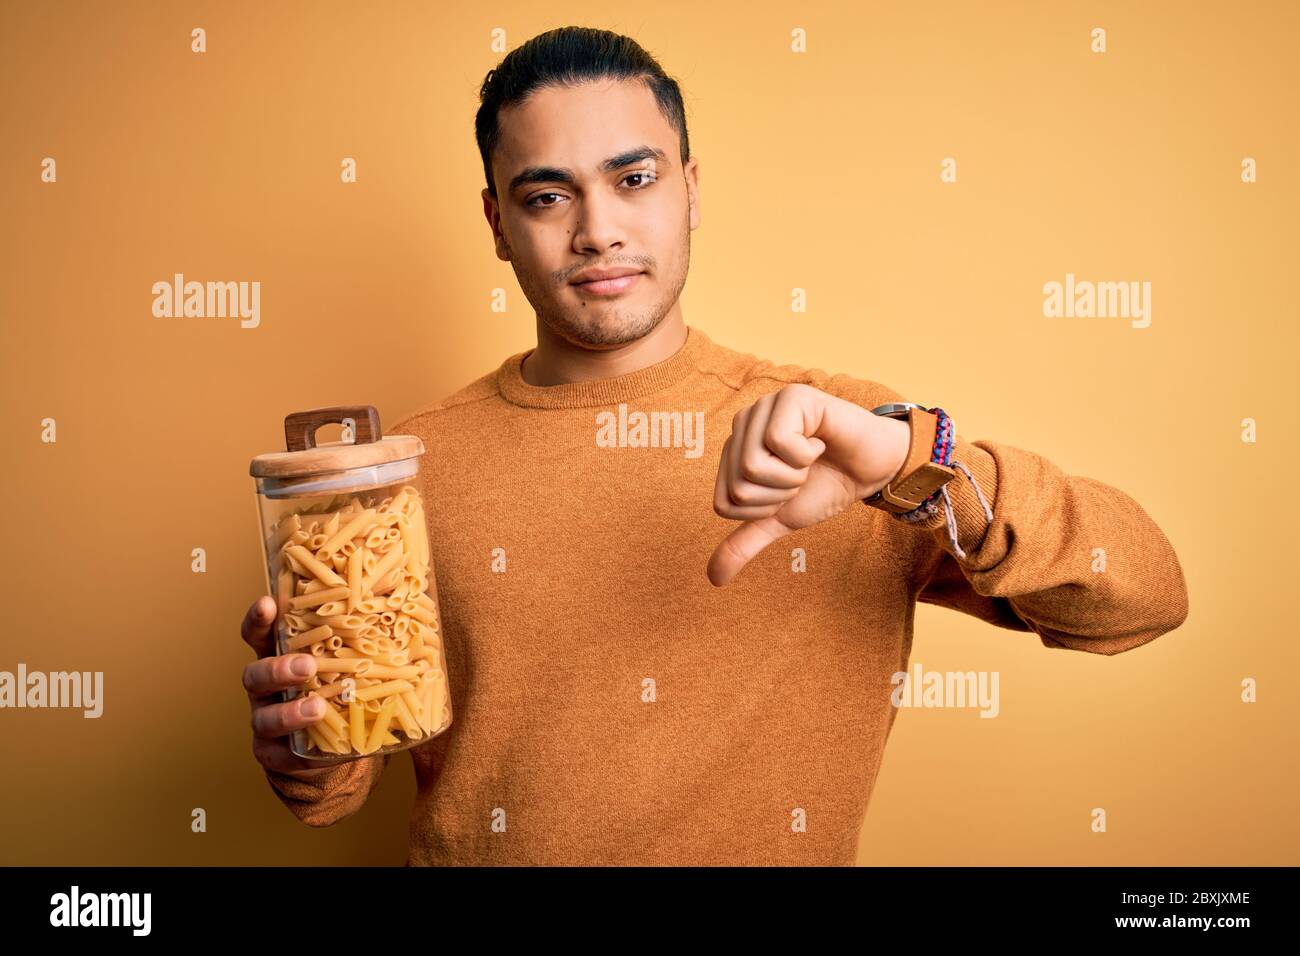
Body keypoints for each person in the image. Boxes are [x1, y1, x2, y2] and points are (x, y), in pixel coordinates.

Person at [240, 26, 1188, 865]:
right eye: (545, 197)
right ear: (497, 223)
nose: (598, 231)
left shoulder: (842, 438)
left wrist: (913, 469)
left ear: (690, 191)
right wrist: (301, 751)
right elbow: (335, 787)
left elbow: (1141, 600)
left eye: (634, 179)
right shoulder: (399, 473)